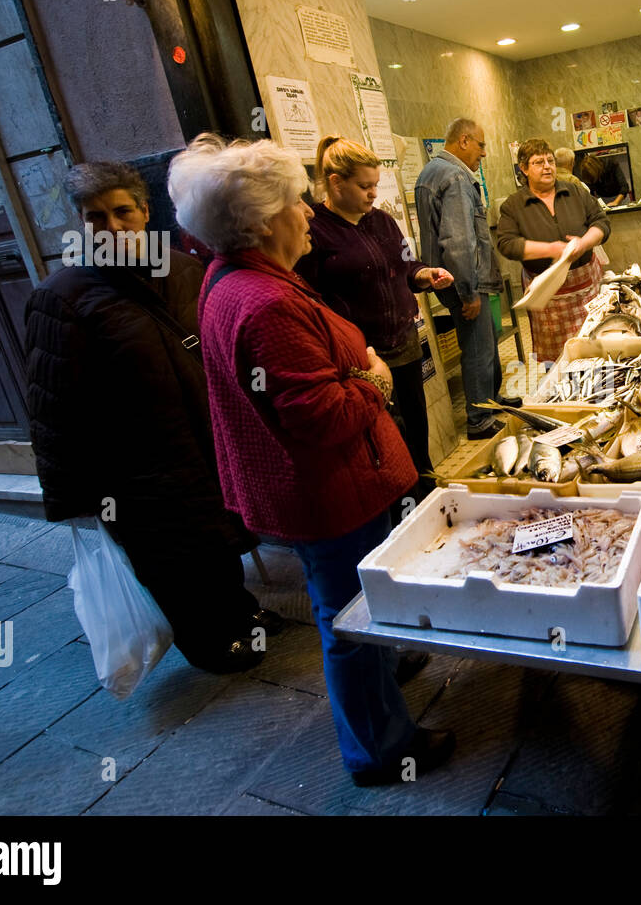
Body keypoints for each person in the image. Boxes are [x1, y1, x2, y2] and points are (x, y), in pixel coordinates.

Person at [167, 134, 455, 785]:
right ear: (267, 220)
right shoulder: (264, 302)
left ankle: (389, 664)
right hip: (326, 492)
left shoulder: (233, 277)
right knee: (345, 618)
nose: (308, 215)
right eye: (300, 202)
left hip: (318, 487)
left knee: (356, 603)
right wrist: (375, 379)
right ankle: (382, 751)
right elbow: (318, 415)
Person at [25, 162, 279, 675]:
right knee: (175, 565)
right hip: (138, 469)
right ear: (82, 224)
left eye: (122, 211)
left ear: (144, 212)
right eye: (96, 217)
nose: (113, 227)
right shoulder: (61, 298)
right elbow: (52, 408)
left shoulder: (184, 270)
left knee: (219, 543)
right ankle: (211, 645)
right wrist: (73, 498)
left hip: (205, 444)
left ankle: (241, 615)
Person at [296, 135, 453, 498]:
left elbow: (405, 266)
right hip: (362, 358)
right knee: (385, 439)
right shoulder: (315, 231)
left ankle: (429, 494)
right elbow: (312, 298)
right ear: (336, 183)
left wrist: (424, 275)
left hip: (404, 344)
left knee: (415, 429)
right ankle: (402, 508)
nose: (372, 194)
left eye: (375, 186)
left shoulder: (382, 221)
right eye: (364, 186)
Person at [414, 117, 519, 441]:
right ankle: (480, 419)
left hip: (454, 280)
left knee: (485, 343)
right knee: (477, 349)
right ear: (463, 141)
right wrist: (468, 292)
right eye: (481, 145)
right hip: (464, 282)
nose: (484, 153)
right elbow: (458, 242)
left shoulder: (430, 172)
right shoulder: (456, 176)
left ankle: (490, 399)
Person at [496, 139, 611, 363]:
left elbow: (601, 222)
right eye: (539, 162)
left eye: (550, 161)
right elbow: (507, 244)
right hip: (547, 299)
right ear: (524, 168)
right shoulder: (514, 205)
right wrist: (550, 249)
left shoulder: (575, 192)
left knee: (594, 351)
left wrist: (584, 243)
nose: (547, 166)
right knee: (556, 363)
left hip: (586, 288)